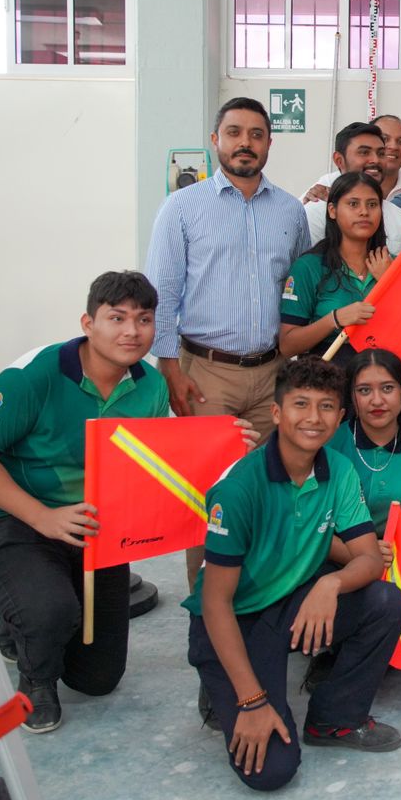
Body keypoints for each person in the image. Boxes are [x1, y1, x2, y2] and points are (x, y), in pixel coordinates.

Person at [0, 272, 173, 734]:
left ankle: (23, 617)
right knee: (52, 612)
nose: (132, 331)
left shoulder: (151, 387)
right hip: (14, 521)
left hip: (94, 530)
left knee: (97, 679)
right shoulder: (33, 376)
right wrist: (43, 517)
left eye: (144, 319)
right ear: (88, 323)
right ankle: (35, 678)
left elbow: (146, 470)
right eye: (117, 318)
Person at [185, 356, 401, 791]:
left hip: (290, 602)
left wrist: (331, 583)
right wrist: (251, 701)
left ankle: (334, 720)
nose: (313, 418)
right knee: (271, 771)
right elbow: (215, 604)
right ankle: (226, 690)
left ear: (341, 417)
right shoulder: (239, 488)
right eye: (300, 404)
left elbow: (368, 557)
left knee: (387, 602)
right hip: (234, 620)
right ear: (276, 413)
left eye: (326, 407)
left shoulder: (338, 470)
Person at [144, 96, 309, 584]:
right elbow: (163, 292)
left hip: (272, 374)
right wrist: (170, 368)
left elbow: (298, 290)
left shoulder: (289, 212)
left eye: (256, 134)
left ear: (269, 145)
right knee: (211, 492)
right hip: (205, 374)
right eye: (234, 132)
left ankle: (261, 598)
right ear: (216, 141)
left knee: (270, 489)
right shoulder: (182, 208)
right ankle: (207, 607)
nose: (245, 143)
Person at [279, 172, 393, 358]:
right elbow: (287, 346)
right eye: (353, 204)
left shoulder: (394, 265)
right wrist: (335, 319)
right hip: (328, 378)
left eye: (372, 204)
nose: (364, 211)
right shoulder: (309, 267)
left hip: (382, 380)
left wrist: (390, 284)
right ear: (332, 210)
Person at [330, 348, 401, 536]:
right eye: (364, 390)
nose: (377, 400)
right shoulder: (330, 444)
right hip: (341, 554)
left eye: (387, 388)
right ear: (351, 396)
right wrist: (367, 553)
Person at [301, 122, 401, 254]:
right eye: (364, 152)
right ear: (339, 160)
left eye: (381, 153)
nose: (375, 160)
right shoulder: (315, 212)